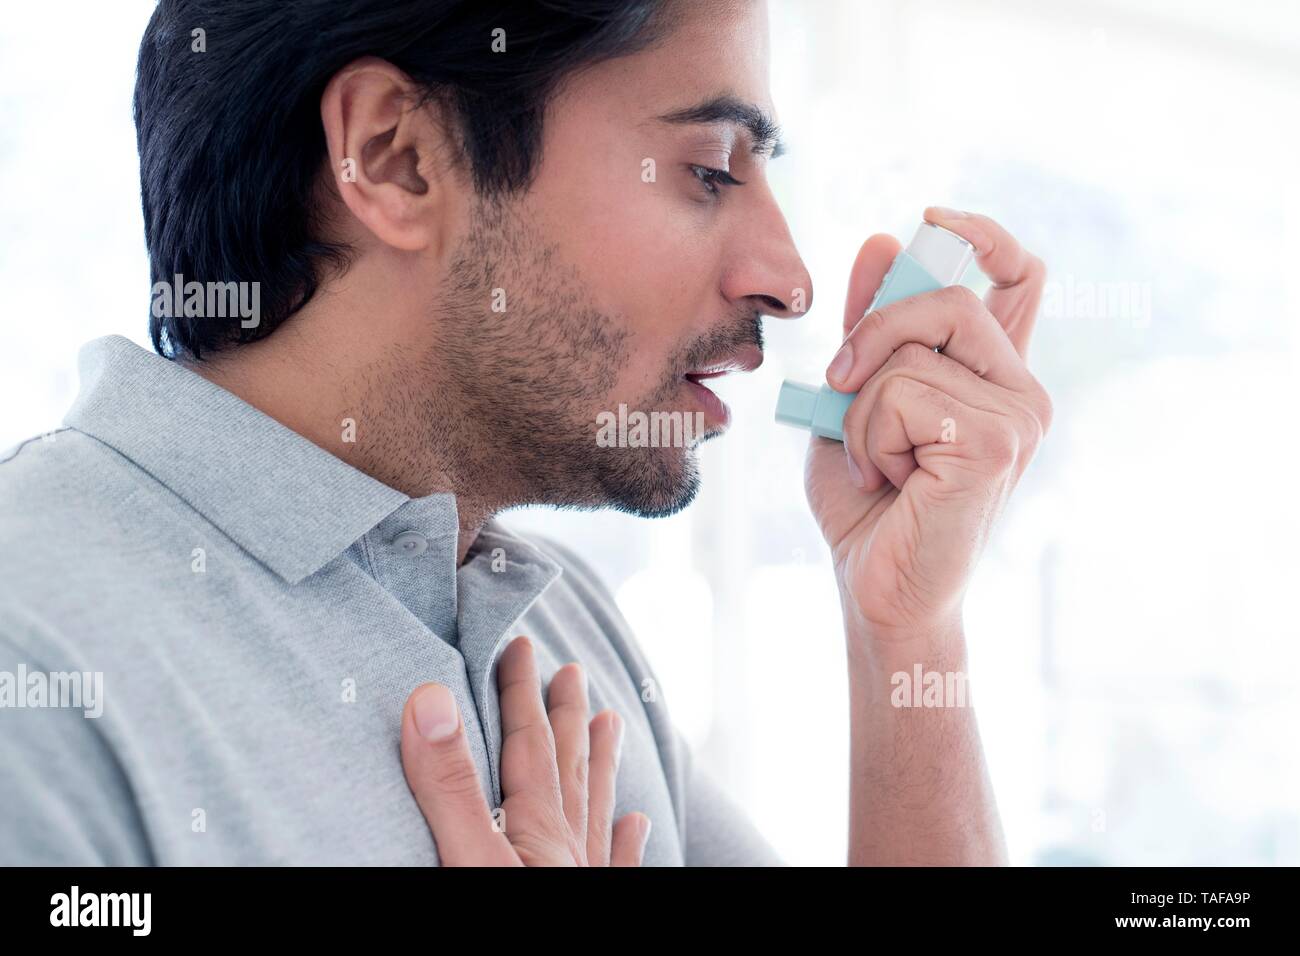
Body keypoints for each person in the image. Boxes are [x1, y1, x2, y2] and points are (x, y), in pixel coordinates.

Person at [0, 0, 1050, 865]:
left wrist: (902, 624)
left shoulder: (559, 636)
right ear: (395, 156)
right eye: (709, 171)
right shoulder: (30, 654)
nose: (787, 278)